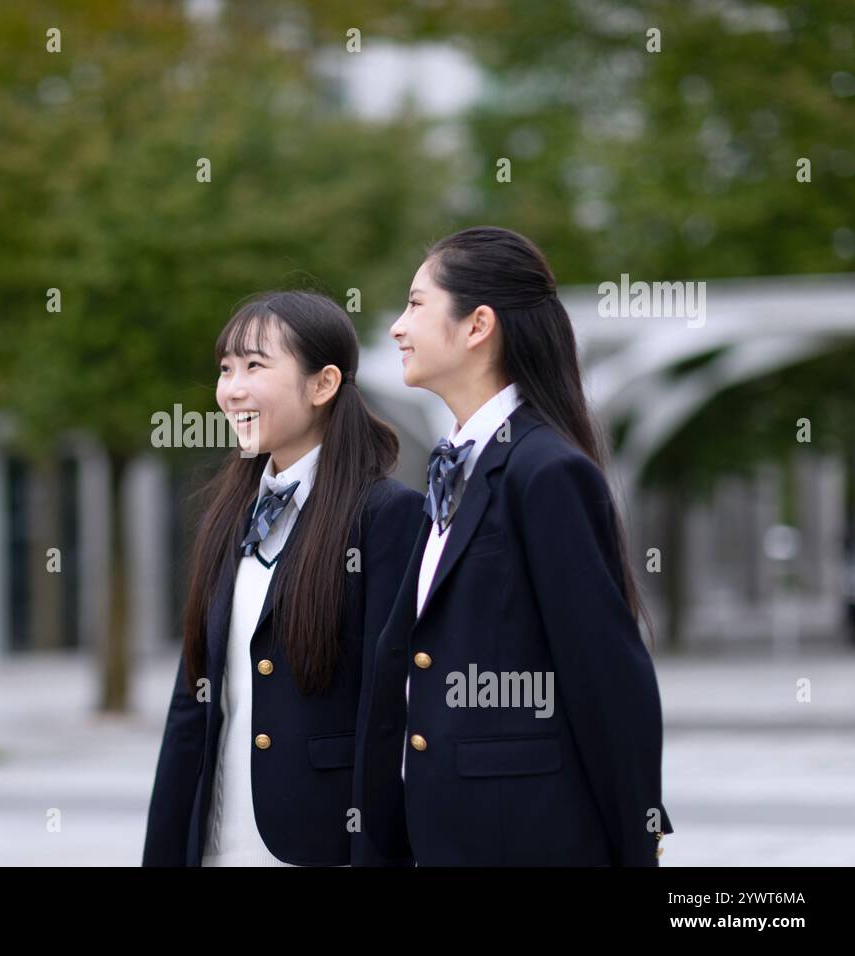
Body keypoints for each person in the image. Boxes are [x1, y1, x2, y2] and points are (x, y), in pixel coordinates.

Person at [356, 226, 672, 866]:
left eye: (416, 304)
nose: (396, 327)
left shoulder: (546, 471)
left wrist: (638, 843)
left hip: (524, 836)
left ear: (478, 326)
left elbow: (607, 675)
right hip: (444, 832)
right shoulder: (454, 466)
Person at [143, 290, 425, 866]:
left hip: (325, 846)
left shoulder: (385, 515)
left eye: (254, 366)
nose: (232, 389)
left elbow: (389, 705)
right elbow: (192, 705)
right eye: (226, 369)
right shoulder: (229, 515)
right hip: (222, 840)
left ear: (322, 385)